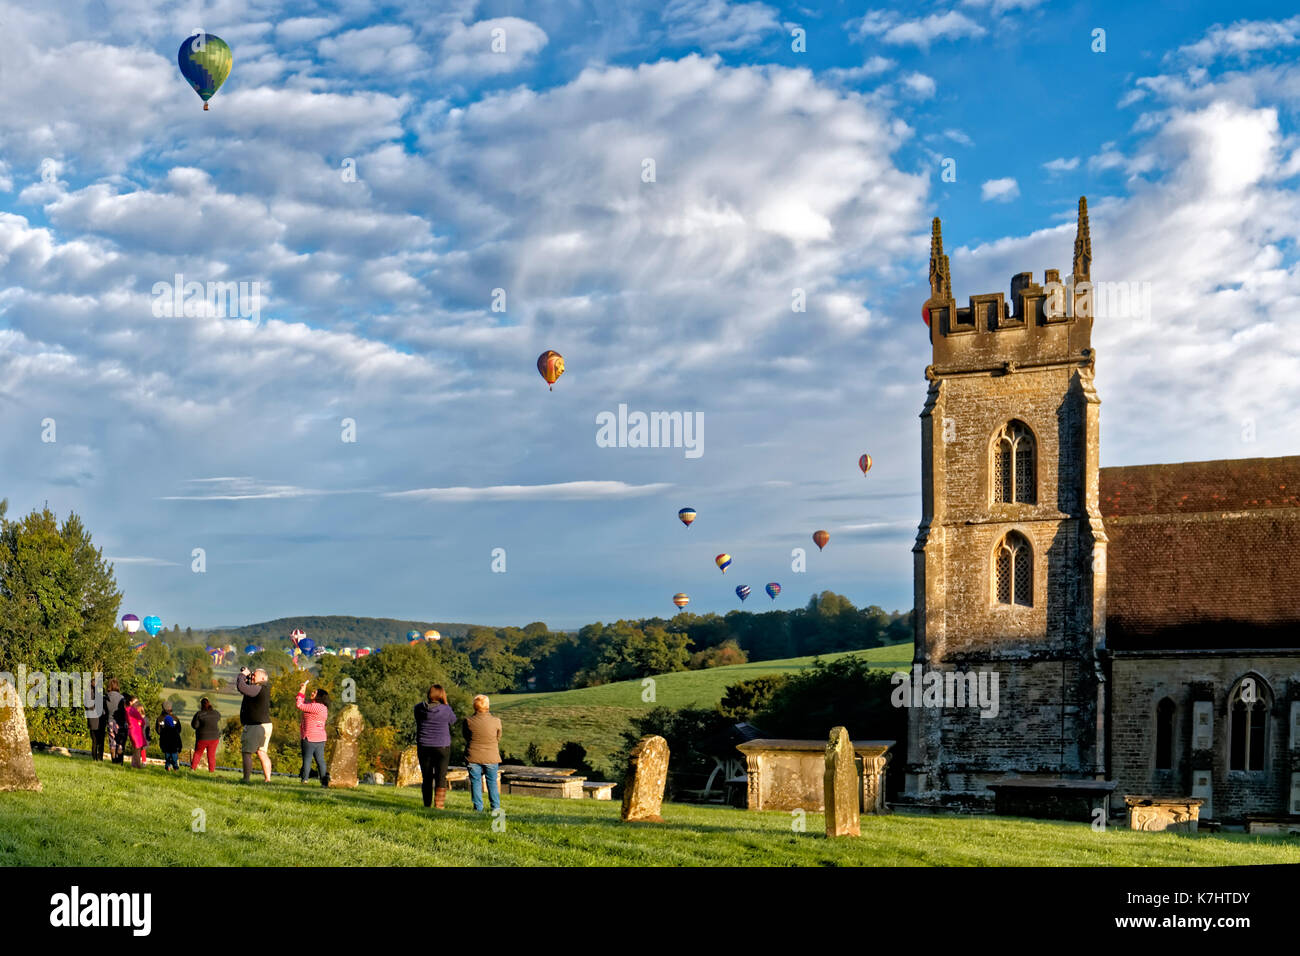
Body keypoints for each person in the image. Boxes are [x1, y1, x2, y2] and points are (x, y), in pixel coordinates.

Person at [414, 685, 457, 809]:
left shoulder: (418, 708)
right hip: (442, 746)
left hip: (424, 745)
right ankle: (439, 805)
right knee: (440, 776)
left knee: (426, 777)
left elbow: (418, 720)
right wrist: (446, 704)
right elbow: (453, 720)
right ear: (442, 695)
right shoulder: (446, 709)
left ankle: (427, 804)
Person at [462, 694, 502, 813]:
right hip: (491, 756)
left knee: (475, 782)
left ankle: (478, 808)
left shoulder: (468, 721)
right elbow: (498, 737)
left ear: (474, 706)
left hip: (473, 755)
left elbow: (466, 736)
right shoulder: (496, 721)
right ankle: (495, 807)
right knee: (492, 782)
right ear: (488, 706)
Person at [236, 666, 273, 783]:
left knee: (247, 752)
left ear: (262, 677)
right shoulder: (264, 688)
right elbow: (246, 687)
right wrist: (247, 678)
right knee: (262, 752)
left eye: (254, 675)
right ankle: (268, 779)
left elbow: (241, 687)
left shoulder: (259, 687)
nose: (252, 677)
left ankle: (246, 779)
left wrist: (242, 675)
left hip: (255, 725)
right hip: (265, 724)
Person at [295, 680, 330, 787]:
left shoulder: (316, 706)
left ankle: (304, 780)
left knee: (307, 759)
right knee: (320, 761)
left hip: (309, 737)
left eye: (314, 692)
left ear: (319, 696)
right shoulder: (322, 707)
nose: (312, 693)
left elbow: (300, 705)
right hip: (321, 738)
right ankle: (324, 782)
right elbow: (305, 704)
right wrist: (302, 691)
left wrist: (302, 691)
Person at [190, 697, 221, 772]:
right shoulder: (216, 713)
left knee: (198, 753)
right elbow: (218, 718)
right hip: (214, 738)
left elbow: (195, 726)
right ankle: (211, 771)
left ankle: (192, 769)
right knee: (211, 755)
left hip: (202, 738)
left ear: (201, 705)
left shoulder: (199, 714)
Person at [155, 701, 183, 771]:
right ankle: (175, 768)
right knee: (174, 757)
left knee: (167, 756)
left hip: (165, 742)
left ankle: (168, 767)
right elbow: (179, 730)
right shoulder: (175, 718)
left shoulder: (159, 718)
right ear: (171, 708)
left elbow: (158, 730)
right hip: (174, 743)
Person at [86, 677, 107, 762]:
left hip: (94, 720)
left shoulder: (89, 695)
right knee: (98, 741)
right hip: (98, 720)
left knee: (96, 741)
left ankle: (96, 758)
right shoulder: (96, 695)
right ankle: (98, 758)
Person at [105, 678, 126, 765]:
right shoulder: (121, 698)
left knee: (112, 742)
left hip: (110, 721)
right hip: (120, 722)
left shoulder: (106, 697)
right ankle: (119, 760)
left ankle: (113, 760)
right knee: (119, 742)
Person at [125, 696, 148, 768]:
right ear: (130, 702)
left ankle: (133, 764)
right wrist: (140, 723)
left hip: (130, 730)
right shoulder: (133, 710)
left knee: (135, 748)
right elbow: (142, 721)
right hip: (136, 730)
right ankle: (137, 765)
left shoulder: (126, 710)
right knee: (137, 749)